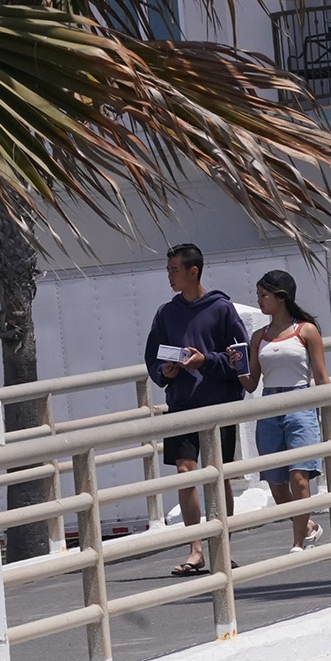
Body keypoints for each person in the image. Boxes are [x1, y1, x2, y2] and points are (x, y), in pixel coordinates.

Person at [143, 244, 249, 577]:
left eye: (175, 270)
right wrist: (165, 372)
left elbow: (240, 358)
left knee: (219, 475)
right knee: (185, 472)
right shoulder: (165, 313)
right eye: (168, 270)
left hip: (218, 405)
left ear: (194, 271)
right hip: (181, 404)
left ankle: (223, 544)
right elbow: (153, 358)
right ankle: (195, 549)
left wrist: (207, 360)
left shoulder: (221, 309)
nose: (170, 277)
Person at [239, 270, 328, 553]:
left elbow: (321, 377)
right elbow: (252, 383)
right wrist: (237, 366)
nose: (260, 301)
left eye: (264, 295)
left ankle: (298, 542)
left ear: (281, 297)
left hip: (300, 402)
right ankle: (309, 525)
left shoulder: (306, 331)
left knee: (299, 477)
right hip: (269, 405)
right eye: (258, 296)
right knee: (276, 484)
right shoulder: (258, 337)